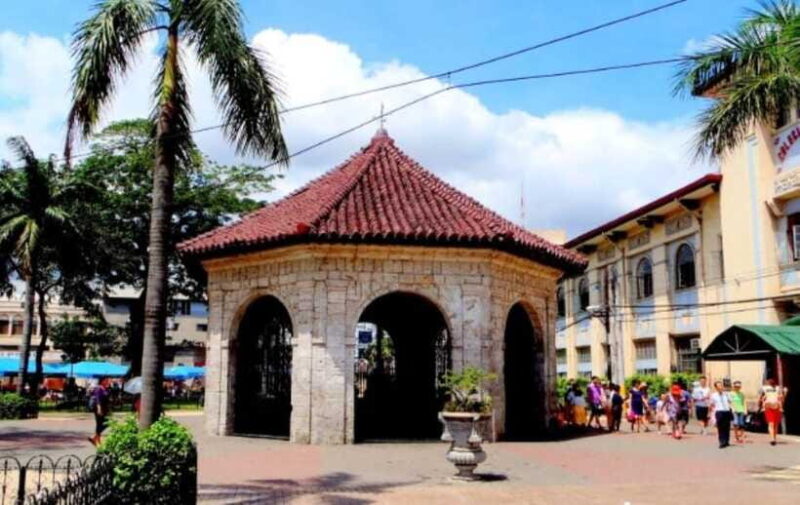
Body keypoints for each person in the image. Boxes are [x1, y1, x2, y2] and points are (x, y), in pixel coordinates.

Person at [760, 378, 785, 446]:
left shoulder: (777, 388)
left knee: (774, 424)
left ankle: (774, 438)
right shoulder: (767, 388)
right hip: (771, 407)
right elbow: (761, 397)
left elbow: (781, 398)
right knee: (772, 424)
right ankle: (772, 439)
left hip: (774, 407)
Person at [710, 380, 733, 448]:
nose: (721, 387)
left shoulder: (726, 394)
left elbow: (730, 401)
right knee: (720, 427)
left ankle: (726, 441)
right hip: (719, 412)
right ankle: (721, 441)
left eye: (721, 385)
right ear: (716, 387)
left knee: (727, 427)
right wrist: (711, 414)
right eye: (719, 386)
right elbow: (712, 404)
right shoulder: (713, 395)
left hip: (727, 411)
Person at [88, 377, 111, 447]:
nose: (108, 381)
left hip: (104, 409)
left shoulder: (105, 389)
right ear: (102, 381)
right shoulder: (99, 388)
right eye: (106, 380)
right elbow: (98, 399)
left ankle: (96, 439)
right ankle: (96, 438)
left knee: (102, 423)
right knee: (102, 423)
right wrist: (99, 408)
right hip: (99, 408)